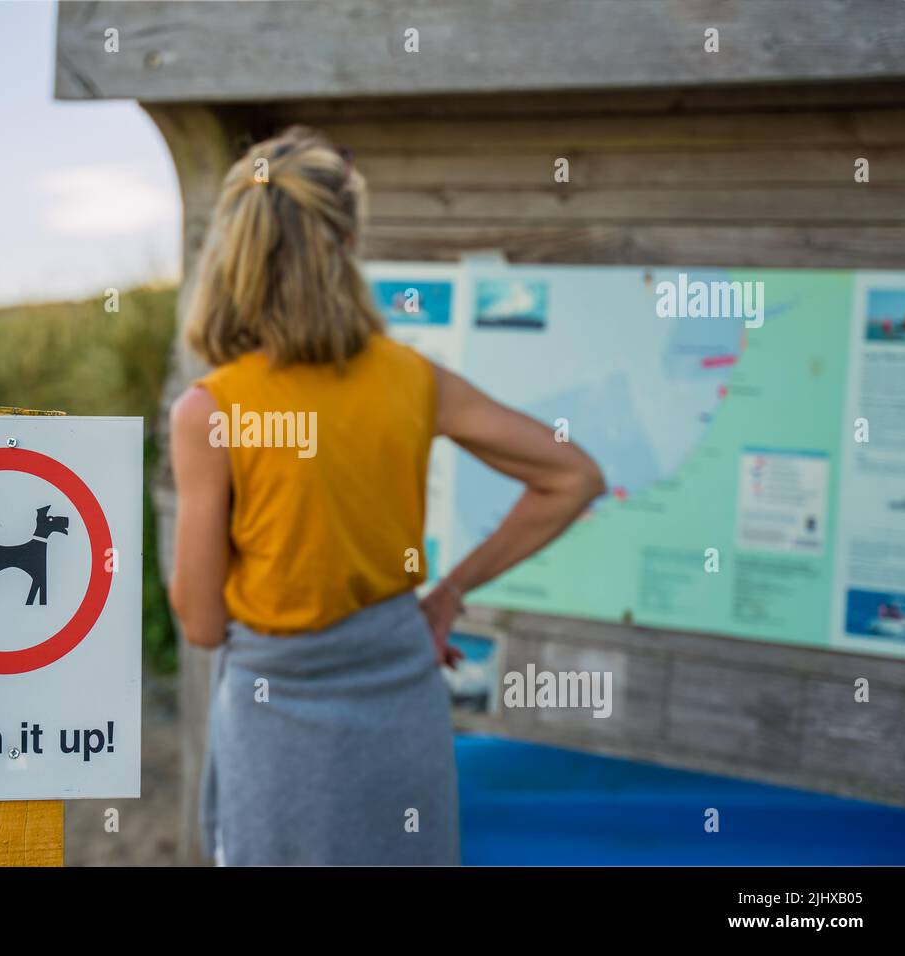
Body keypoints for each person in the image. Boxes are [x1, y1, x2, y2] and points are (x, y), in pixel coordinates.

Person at [168, 126, 604, 866]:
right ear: (345, 248)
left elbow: (204, 625)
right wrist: (449, 594)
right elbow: (573, 476)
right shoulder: (413, 379)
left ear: (234, 253)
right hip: (401, 701)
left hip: (276, 724)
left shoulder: (212, 411)